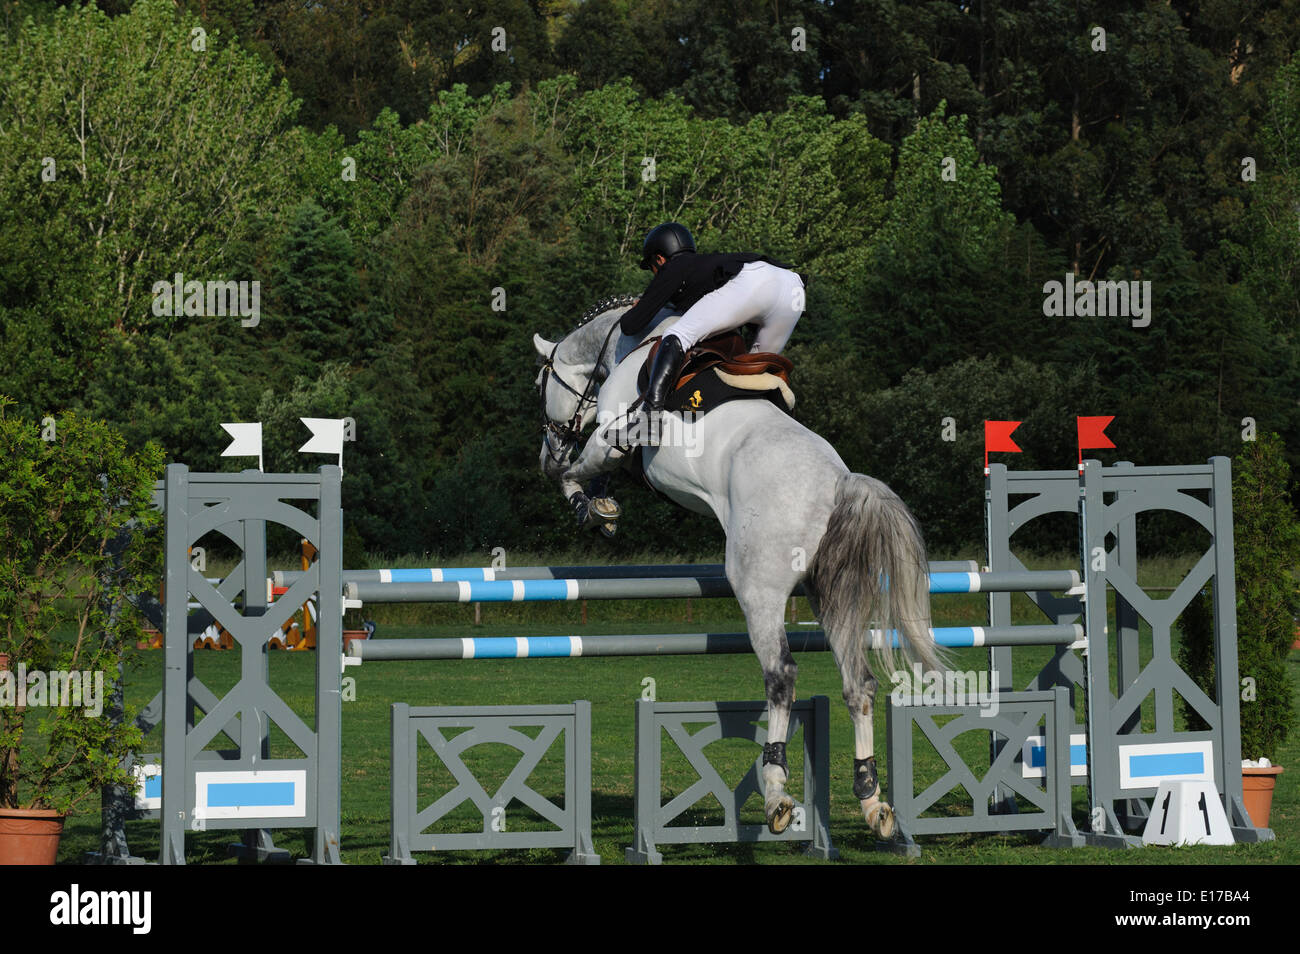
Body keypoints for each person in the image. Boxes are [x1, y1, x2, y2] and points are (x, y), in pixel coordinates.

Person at [618, 223, 806, 417]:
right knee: (753, 369)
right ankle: (778, 417)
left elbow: (630, 325)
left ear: (659, 258)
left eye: (652, 267)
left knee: (677, 335)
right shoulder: (705, 264)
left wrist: (638, 307)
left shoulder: (675, 265)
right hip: (794, 287)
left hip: (754, 282)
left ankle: (650, 418)